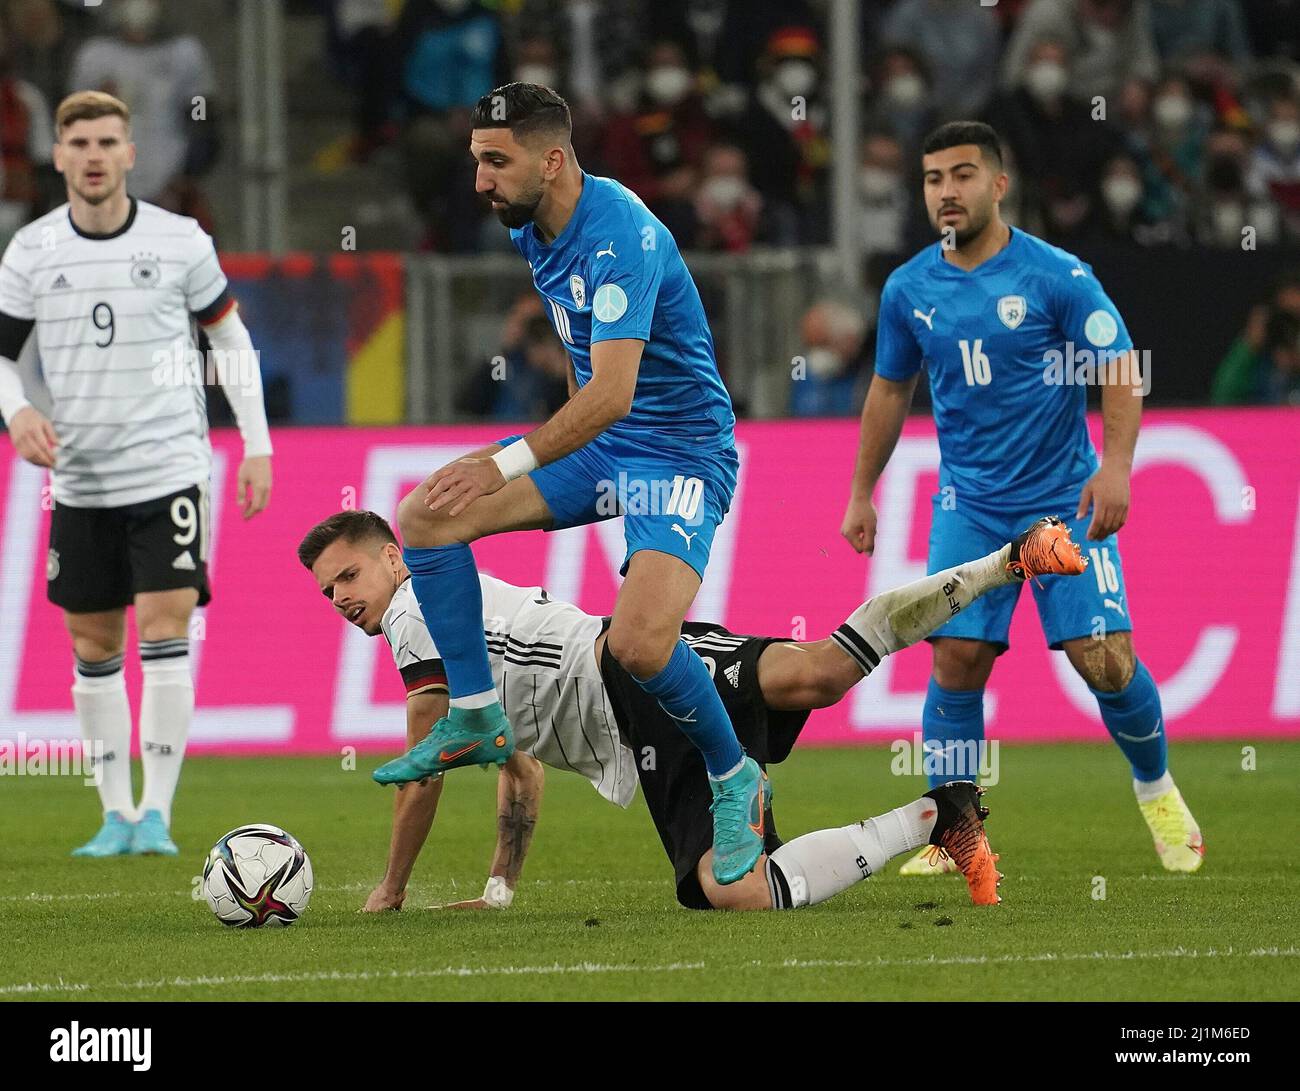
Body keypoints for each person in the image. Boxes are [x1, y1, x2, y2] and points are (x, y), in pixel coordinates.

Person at [298, 510, 1088, 912]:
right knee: (821, 671)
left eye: (349, 574)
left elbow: (425, 771)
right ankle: (1010, 563)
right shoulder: (448, 611)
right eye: (328, 588)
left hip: (629, 687)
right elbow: (520, 766)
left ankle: (935, 813)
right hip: (647, 658)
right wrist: (499, 888)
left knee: (735, 890)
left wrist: (391, 889)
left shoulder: (411, 615)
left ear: (395, 557)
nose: (339, 596)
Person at [374, 82, 767, 887]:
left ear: (551, 160)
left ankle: (737, 777)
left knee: (639, 646)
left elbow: (614, 392)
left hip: (679, 456)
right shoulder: (533, 224)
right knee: (425, 517)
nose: (479, 180)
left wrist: (502, 461)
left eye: (495, 161)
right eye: (476, 160)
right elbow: (585, 366)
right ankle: (477, 714)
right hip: (602, 446)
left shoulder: (621, 235)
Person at [841, 120, 1205, 877]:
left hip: (1062, 502)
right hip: (968, 507)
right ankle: (957, 831)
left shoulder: (1056, 276)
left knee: (1103, 661)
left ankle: (1157, 789)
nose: (947, 191)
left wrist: (1117, 466)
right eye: (934, 178)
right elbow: (889, 389)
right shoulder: (908, 288)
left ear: (999, 184)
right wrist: (860, 491)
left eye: (963, 175)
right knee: (956, 659)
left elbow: (1119, 366)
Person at [0, 91, 272, 856]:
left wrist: (257, 443)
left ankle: (156, 812)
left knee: (163, 625)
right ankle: (115, 814)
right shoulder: (31, 250)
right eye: (79, 142)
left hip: (168, 468)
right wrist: (16, 412)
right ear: (58, 155)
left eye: (107, 141)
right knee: (92, 644)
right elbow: (2, 357)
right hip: (81, 478)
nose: (93, 155)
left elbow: (229, 340)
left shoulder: (180, 240)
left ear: (129, 153)